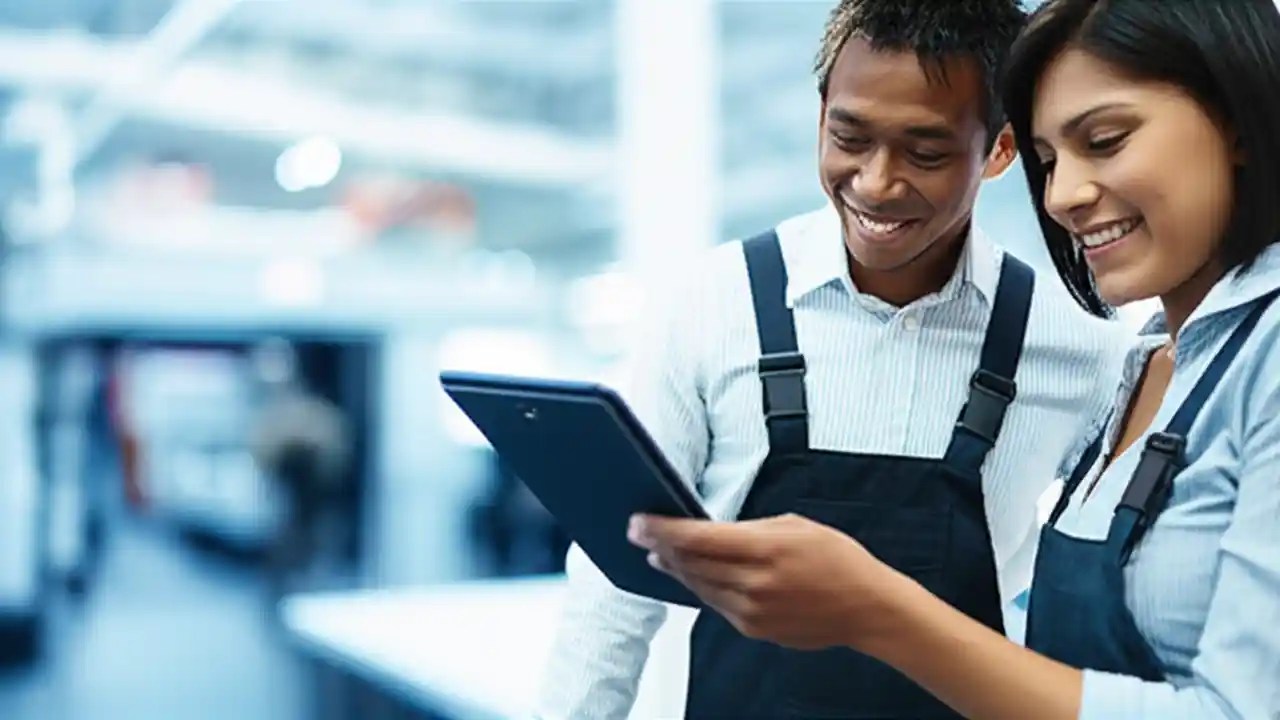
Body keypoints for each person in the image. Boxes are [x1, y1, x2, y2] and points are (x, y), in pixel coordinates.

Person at [631, 0, 1280, 718]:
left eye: (1105, 139)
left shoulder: (1109, 354)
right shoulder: (1148, 363)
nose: (1062, 196)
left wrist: (880, 611)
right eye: (1050, 160)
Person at [538, 2, 1134, 718]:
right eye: (849, 137)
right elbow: (615, 589)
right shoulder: (710, 306)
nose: (876, 184)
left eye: (926, 152)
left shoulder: (1081, 350)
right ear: (821, 113)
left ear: (1001, 150)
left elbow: (1119, 596)